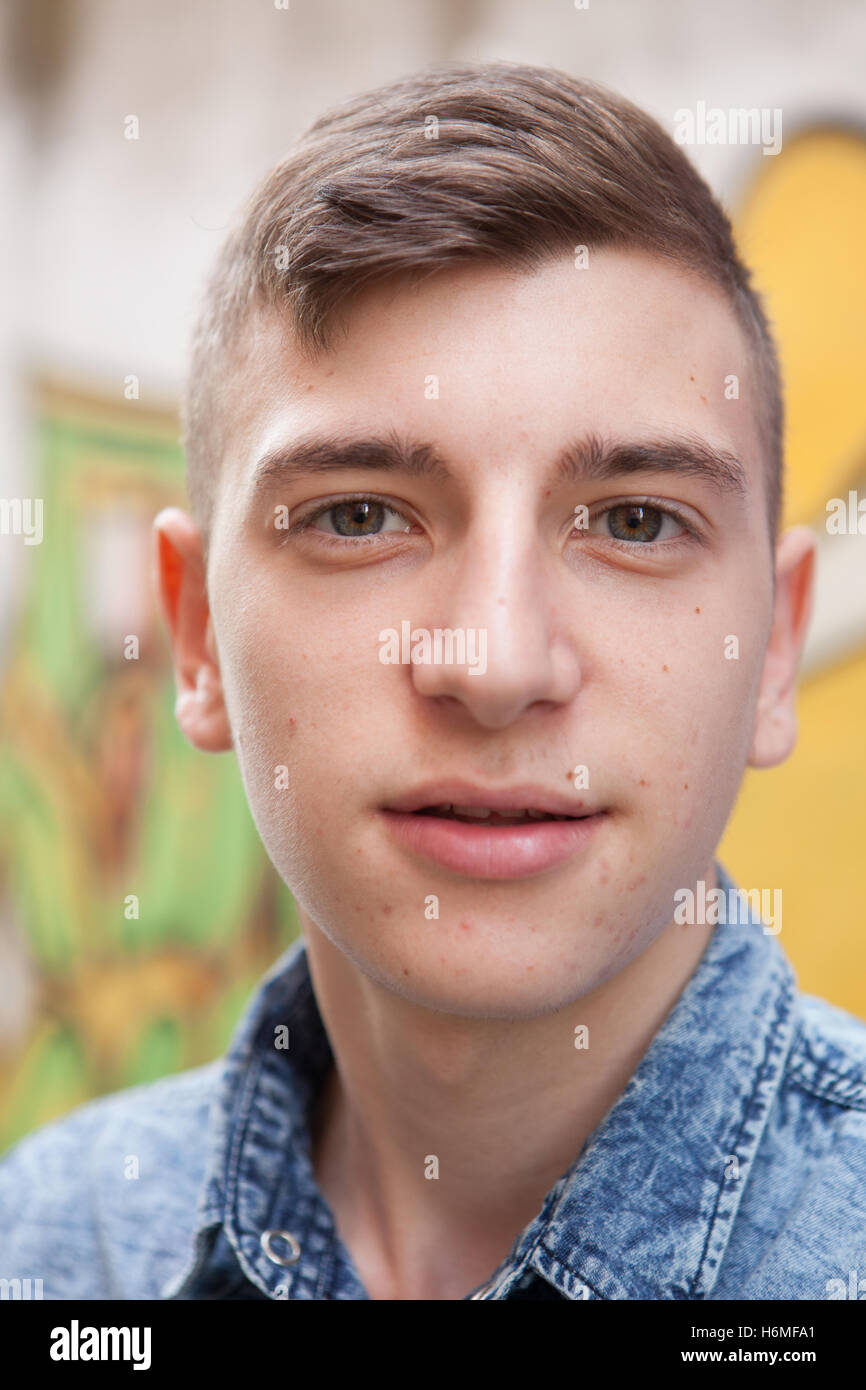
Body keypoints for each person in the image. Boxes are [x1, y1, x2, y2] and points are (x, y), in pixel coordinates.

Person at [2, 61, 865, 1302]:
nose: (497, 664)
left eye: (632, 520)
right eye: (359, 514)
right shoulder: (53, 1248)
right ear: (193, 634)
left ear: (773, 645)